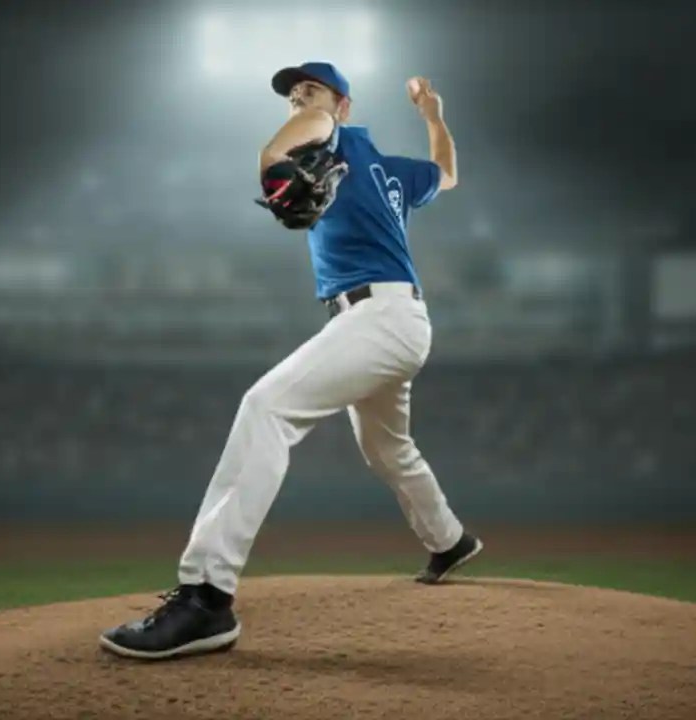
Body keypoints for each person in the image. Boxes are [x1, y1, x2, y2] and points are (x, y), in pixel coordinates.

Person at [99, 61, 482, 660]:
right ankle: (450, 539)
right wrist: (434, 116)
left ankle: (206, 597)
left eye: (312, 91)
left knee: (266, 407)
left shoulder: (329, 132)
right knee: (388, 448)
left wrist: (273, 163)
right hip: (393, 321)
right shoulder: (393, 174)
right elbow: (449, 173)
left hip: (380, 319)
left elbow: (288, 142)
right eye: (294, 94)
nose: (300, 99)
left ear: (343, 106)